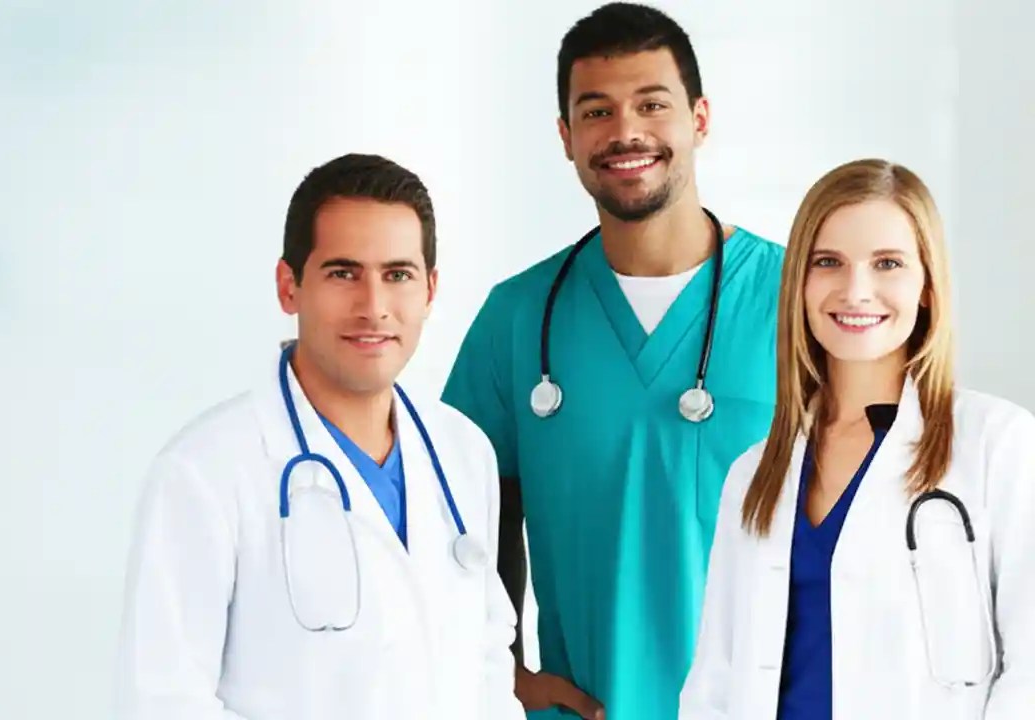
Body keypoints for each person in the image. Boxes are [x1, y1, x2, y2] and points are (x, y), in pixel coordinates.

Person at [441, 3, 785, 719]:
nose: (625, 132)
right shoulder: (518, 317)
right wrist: (502, 670)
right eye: (595, 112)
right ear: (566, 138)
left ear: (699, 118)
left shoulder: (795, 304)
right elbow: (463, 514)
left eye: (651, 104)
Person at [115, 153, 526, 720]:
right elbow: (164, 703)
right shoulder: (205, 471)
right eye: (343, 273)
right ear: (289, 287)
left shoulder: (463, 451)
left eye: (398, 275)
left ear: (430, 291)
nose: (374, 307)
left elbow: (485, 665)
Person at [679, 158, 1035, 719]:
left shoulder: (998, 446)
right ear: (800, 281)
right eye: (829, 263)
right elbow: (714, 683)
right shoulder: (754, 474)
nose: (856, 290)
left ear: (926, 285)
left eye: (887, 263)